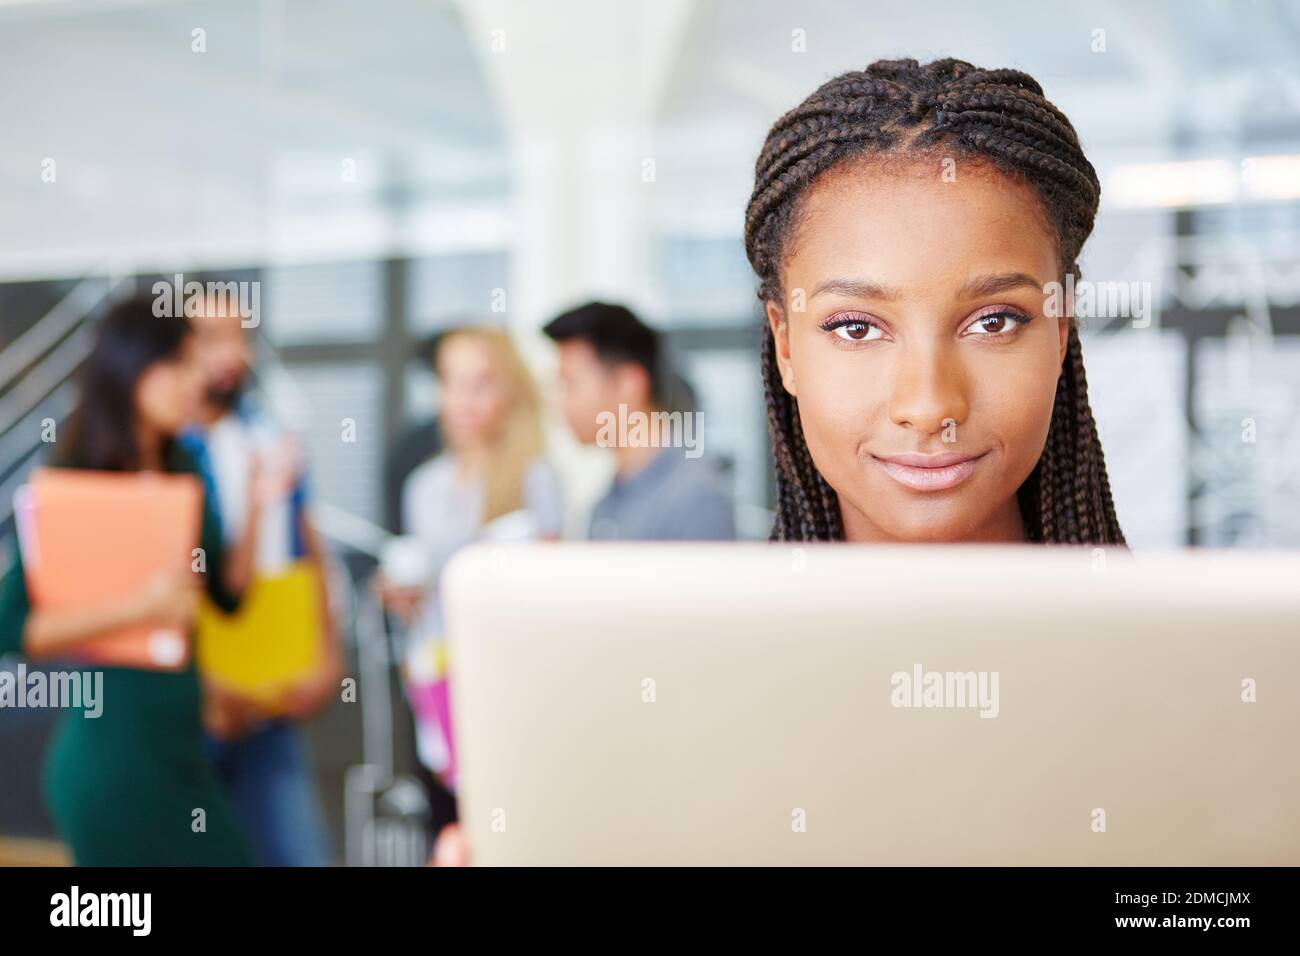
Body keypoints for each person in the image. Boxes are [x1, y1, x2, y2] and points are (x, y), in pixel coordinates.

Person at [744, 57, 1126, 545]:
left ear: (1059, 330)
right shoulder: (703, 624)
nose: (930, 408)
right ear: (787, 346)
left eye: (993, 322)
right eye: (856, 328)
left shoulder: (1176, 625)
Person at [0, 295, 260, 865]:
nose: (199, 379)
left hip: (181, 752)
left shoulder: (184, 468)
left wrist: (261, 505)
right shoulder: (74, 479)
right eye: (184, 362)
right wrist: (140, 607)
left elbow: (227, 596)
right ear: (135, 368)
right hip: (113, 763)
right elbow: (15, 629)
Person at [374, 326, 563, 867]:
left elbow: (547, 600)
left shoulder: (535, 479)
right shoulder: (424, 486)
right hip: (436, 689)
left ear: (510, 392)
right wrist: (402, 596)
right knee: (448, 829)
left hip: (509, 690)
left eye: (481, 383)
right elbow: (424, 595)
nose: (464, 400)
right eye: (452, 383)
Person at [182, 294, 342, 867]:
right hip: (191, 710)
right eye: (209, 337)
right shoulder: (163, 448)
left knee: (297, 854)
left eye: (238, 335)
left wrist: (326, 655)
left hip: (270, 698)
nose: (231, 354)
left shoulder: (270, 438)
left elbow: (310, 549)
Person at [542, 302, 735, 541]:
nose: (559, 402)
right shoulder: (604, 506)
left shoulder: (695, 499)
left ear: (628, 385)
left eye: (570, 384)